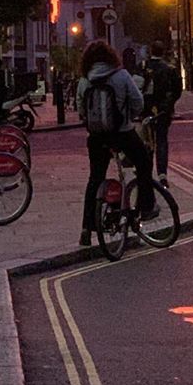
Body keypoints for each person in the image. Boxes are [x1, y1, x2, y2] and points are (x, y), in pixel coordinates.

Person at [76, 39, 156, 248]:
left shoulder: (84, 80)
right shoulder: (121, 75)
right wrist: (128, 116)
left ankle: (86, 228)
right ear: (110, 56)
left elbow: (81, 109)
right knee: (144, 161)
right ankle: (146, 206)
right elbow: (138, 103)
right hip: (122, 134)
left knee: (95, 177)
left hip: (97, 137)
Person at [142, 40, 183, 186]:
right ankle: (162, 175)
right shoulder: (170, 69)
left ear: (150, 51)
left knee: (147, 142)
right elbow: (177, 90)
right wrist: (169, 104)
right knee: (162, 141)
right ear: (163, 52)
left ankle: (146, 174)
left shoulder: (143, 67)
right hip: (164, 110)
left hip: (146, 109)